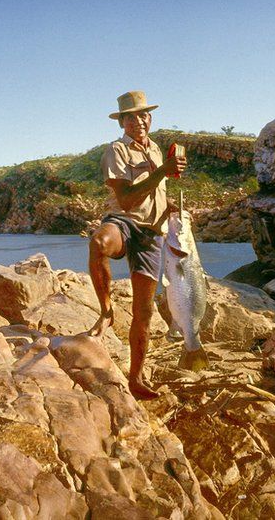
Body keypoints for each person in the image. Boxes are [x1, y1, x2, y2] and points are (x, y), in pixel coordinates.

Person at [86, 90, 185, 400]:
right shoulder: (115, 150)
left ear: (150, 119)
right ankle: (106, 310)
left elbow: (156, 192)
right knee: (99, 243)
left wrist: (170, 205)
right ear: (122, 123)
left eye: (143, 115)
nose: (139, 120)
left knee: (144, 312)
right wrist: (160, 172)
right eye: (131, 117)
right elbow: (127, 199)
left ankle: (136, 378)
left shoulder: (156, 149)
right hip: (124, 222)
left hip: (153, 233)